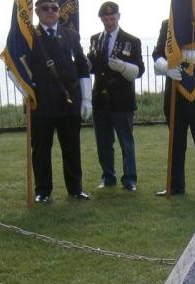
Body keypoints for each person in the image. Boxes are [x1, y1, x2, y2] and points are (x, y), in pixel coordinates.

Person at [28, 1, 92, 203]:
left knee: (72, 148)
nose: (50, 12)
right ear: (37, 11)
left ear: (58, 12)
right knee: (41, 150)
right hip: (42, 103)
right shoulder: (29, 36)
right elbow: (19, 68)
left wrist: (86, 100)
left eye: (54, 8)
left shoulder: (71, 35)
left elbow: (82, 68)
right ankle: (43, 191)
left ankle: (75, 189)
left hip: (69, 102)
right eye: (45, 8)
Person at [152, 11, 195, 196]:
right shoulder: (168, 23)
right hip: (175, 93)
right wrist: (166, 67)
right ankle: (175, 185)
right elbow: (157, 54)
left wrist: (180, 54)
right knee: (175, 141)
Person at [87, 2, 143, 191]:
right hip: (100, 99)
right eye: (105, 18)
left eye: (112, 18)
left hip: (122, 100)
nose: (109, 22)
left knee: (126, 142)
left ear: (118, 17)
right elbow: (92, 65)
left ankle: (130, 179)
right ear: (101, 19)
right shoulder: (95, 39)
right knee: (103, 142)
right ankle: (108, 177)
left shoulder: (131, 40)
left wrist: (123, 67)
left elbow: (139, 70)